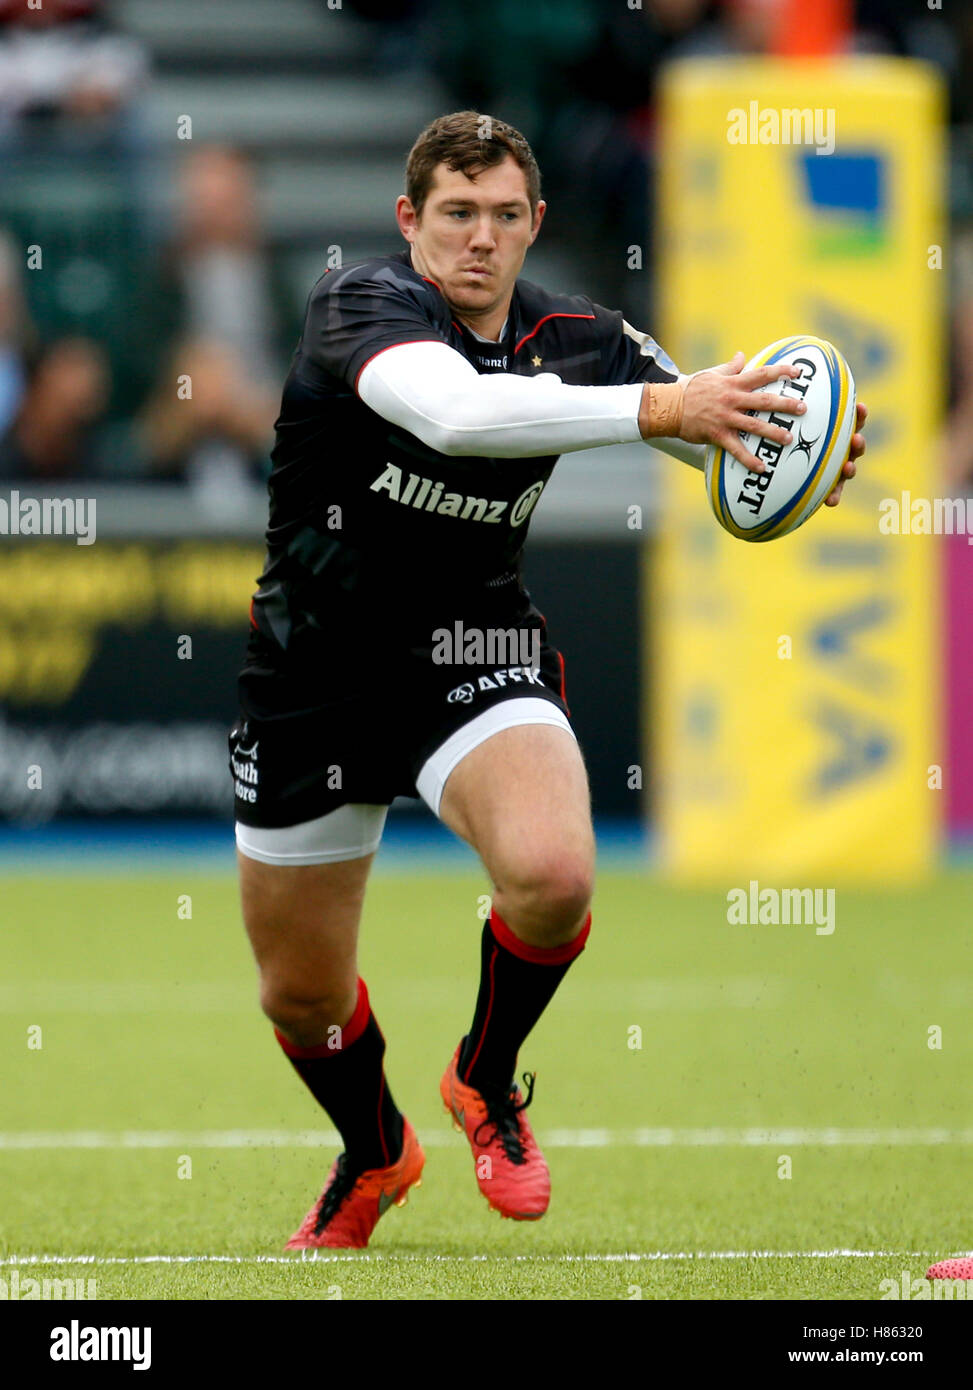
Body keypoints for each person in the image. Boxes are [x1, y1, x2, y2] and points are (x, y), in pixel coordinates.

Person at [228, 109, 866, 1250]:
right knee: (302, 996)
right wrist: (664, 407)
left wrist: (792, 441)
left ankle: (484, 1079)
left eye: (504, 215)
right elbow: (459, 414)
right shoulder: (360, 306)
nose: (479, 238)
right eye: (456, 214)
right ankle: (375, 1150)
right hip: (312, 669)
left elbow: (707, 422)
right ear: (408, 220)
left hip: (472, 649)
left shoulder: (584, 336)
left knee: (555, 873)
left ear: (535, 224)